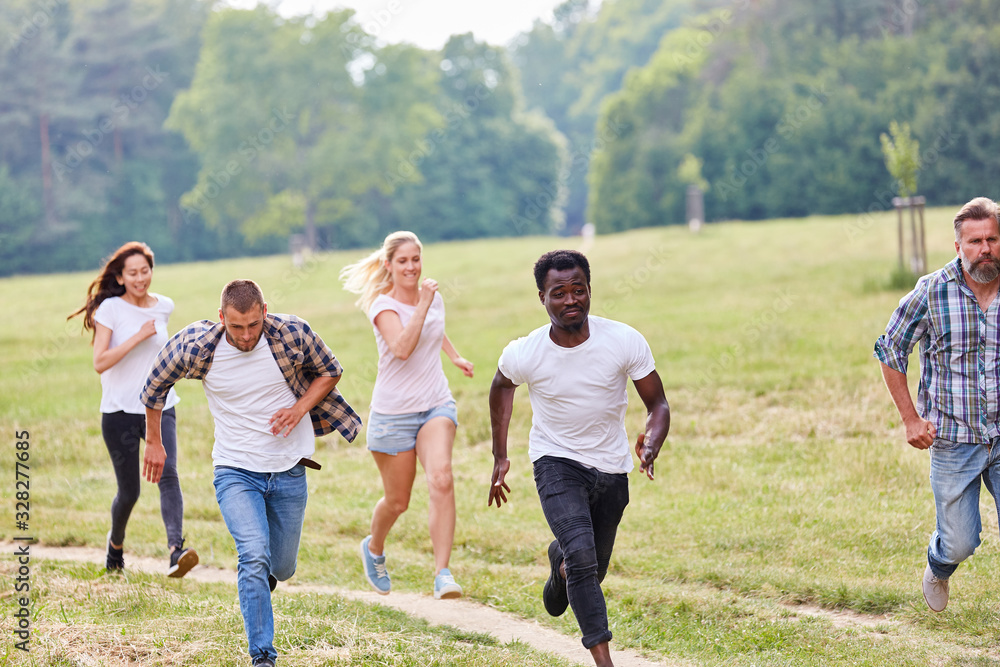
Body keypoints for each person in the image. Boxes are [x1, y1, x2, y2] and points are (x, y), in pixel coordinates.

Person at [140, 279, 361, 667]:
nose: (245, 336)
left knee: (282, 566)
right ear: (222, 316)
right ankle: (262, 655)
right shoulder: (196, 345)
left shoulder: (292, 332)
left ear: (264, 312)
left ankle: (263, 582)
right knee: (253, 554)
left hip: (289, 470)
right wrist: (154, 442)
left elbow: (331, 371)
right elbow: (155, 384)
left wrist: (298, 410)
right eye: (236, 326)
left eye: (253, 325)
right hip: (235, 471)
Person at [488, 249, 670, 667]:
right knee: (583, 557)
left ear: (589, 290)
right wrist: (500, 455)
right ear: (542, 298)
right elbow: (501, 386)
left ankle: (562, 567)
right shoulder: (526, 351)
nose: (571, 300)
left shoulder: (623, 340)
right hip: (556, 462)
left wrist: (652, 442)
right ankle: (604, 661)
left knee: (589, 567)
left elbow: (657, 404)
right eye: (559, 293)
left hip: (611, 468)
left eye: (579, 290)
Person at [875, 196, 1000, 613]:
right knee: (960, 541)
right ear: (958, 246)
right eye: (976, 241)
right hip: (953, 439)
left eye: (993, 239)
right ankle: (939, 564)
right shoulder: (932, 291)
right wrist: (910, 419)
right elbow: (890, 348)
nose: (986, 248)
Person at [340, 231, 474, 600]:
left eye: (416, 259)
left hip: (435, 404)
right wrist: (425, 302)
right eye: (403, 260)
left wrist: (455, 356)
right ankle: (374, 547)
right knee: (398, 501)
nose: (411, 266)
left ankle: (442, 573)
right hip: (393, 413)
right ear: (389, 265)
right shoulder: (382, 307)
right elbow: (401, 348)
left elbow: (435, 329)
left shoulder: (434, 299)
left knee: (442, 479)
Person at [68, 241, 198, 577]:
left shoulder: (164, 306)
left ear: (151, 272)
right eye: (133, 273)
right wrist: (138, 336)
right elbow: (100, 362)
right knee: (129, 491)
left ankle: (176, 552)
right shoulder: (110, 309)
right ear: (121, 277)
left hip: (161, 405)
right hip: (119, 412)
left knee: (169, 475)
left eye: (145, 271)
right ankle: (115, 547)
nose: (141, 278)